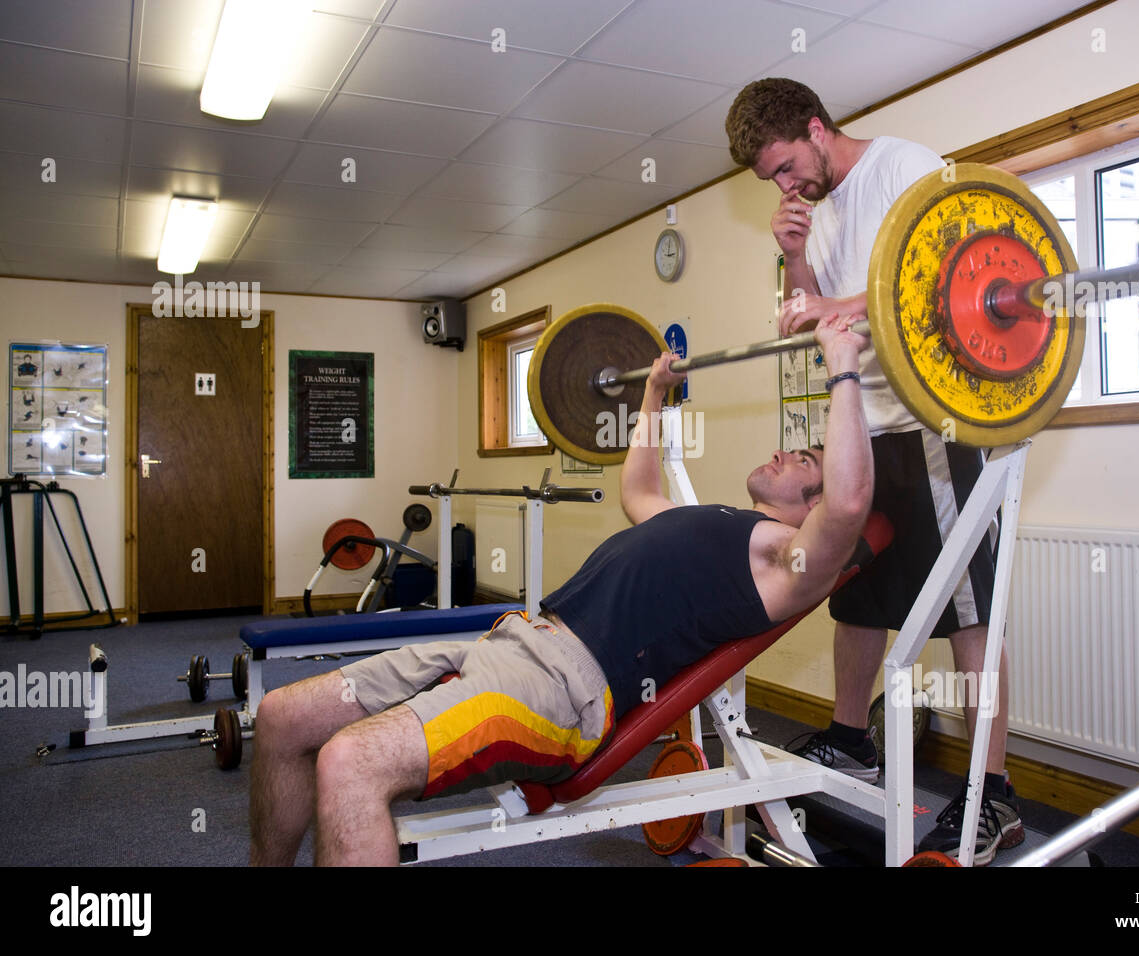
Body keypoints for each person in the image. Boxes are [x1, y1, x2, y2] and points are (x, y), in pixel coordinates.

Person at [249, 314, 873, 866]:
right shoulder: (717, 521)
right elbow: (639, 491)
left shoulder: (784, 559)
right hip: (507, 643)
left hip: (558, 692)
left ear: (812, 502)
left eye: (804, 460)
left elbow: (848, 507)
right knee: (280, 717)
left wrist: (843, 367)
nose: (782, 453)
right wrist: (653, 394)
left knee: (350, 763)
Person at [726, 77, 1020, 865]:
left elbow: (942, 282)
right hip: (862, 427)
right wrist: (795, 260)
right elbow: (805, 320)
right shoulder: (815, 222)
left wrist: (837, 306)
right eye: (772, 182)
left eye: (788, 166)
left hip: (931, 423)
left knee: (966, 612)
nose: (786, 187)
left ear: (818, 128)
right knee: (854, 594)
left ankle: (992, 791)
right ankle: (852, 738)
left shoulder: (902, 168)